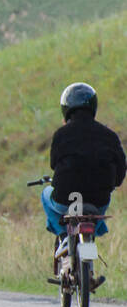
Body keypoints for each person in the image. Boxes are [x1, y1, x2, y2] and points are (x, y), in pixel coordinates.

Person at [42, 82, 126, 286]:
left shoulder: (61, 134)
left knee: (46, 194)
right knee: (95, 217)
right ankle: (88, 257)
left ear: (66, 108)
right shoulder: (109, 136)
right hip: (98, 200)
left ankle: (63, 236)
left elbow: (54, 164)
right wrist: (110, 184)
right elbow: (121, 170)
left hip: (65, 199)